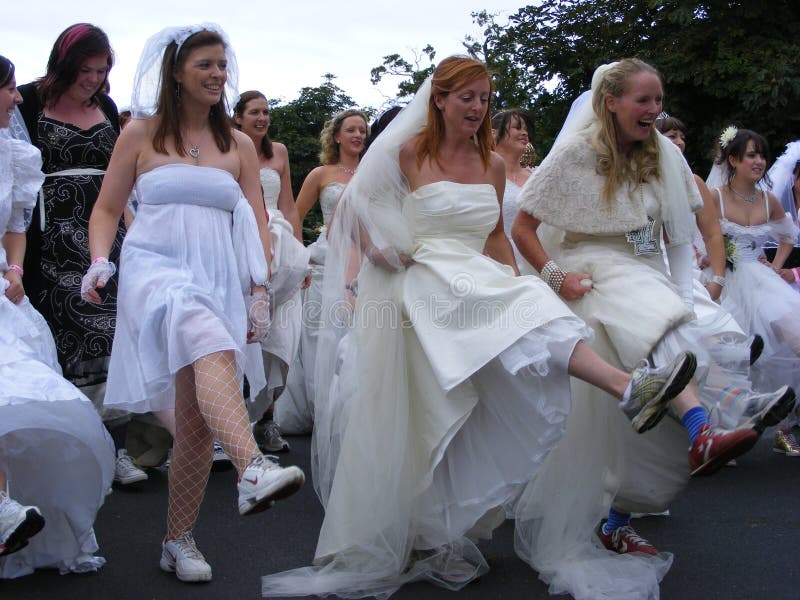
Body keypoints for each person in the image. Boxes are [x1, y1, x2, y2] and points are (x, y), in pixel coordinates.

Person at [261, 55, 701, 599]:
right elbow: (353, 213)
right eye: (466, 97)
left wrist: (516, 279)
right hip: (423, 283)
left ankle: (441, 526)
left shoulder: (492, 165)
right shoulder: (405, 155)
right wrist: (380, 251)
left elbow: (495, 235)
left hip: (472, 279)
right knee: (439, 405)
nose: (477, 108)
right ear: (439, 100)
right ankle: (628, 388)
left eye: (485, 99)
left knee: (503, 360)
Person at [512, 59, 765, 598]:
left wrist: (691, 292)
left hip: (644, 275)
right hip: (593, 272)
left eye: (658, 101)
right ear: (611, 102)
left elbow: (680, 235)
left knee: (634, 417)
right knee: (664, 340)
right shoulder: (576, 153)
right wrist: (559, 278)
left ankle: (621, 513)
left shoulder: (664, 157)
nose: (654, 110)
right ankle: (709, 422)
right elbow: (523, 226)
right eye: (642, 101)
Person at [82, 24, 304, 583]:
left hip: (220, 276)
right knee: (204, 337)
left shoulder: (239, 145)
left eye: (222, 65)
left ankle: (177, 539)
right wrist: (100, 259)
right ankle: (252, 467)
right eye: (205, 64)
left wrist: (259, 290)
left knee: (198, 424)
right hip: (156, 269)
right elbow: (107, 208)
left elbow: (256, 218)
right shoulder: (139, 133)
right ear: (177, 71)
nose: (217, 74)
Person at [15, 23, 145, 486]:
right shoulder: (29, 101)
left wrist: (137, 229)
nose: (93, 79)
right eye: (86, 69)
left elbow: (121, 176)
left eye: (102, 70)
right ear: (66, 63)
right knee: (73, 330)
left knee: (118, 330)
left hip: (107, 234)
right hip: (51, 235)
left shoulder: (106, 107)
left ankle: (117, 447)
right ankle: (80, 442)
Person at [0, 54, 114, 579]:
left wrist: (16, 269)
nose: (18, 97)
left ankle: (10, 506)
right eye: (8, 89)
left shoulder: (13, 155)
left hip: (7, 289)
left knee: (23, 397)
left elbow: (15, 224)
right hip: (32, 263)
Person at [654, 114, 793, 436]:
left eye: (681, 136)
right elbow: (692, 235)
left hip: (745, 275)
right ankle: (722, 420)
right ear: (732, 160)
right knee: (708, 342)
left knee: (777, 337)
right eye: (670, 136)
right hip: (688, 269)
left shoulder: (698, 184)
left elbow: (714, 233)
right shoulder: (705, 192)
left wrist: (766, 267)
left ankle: (770, 417)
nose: (678, 142)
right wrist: (708, 264)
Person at [707, 127, 800, 456]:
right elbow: (698, 239)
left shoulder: (768, 199)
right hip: (722, 279)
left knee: (794, 339)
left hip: (761, 281)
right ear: (732, 160)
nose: (759, 161)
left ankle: (786, 425)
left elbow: (788, 235)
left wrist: (776, 265)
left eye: (762, 154)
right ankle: (722, 430)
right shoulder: (714, 197)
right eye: (751, 155)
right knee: (730, 355)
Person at [275, 108, 368, 434]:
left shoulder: (373, 172)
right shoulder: (321, 174)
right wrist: (299, 258)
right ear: (337, 136)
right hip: (326, 261)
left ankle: (350, 409)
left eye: (362, 130)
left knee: (357, 335)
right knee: (320, 337)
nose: (358, 135)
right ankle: (321, 409)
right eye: (352, 130)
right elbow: (294, 216)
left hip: (365, 263)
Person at [233, 90, 309, 452]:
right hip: (246, 241)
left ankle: (267, 420)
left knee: (281, 336)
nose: (262, 118)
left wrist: (300, 257)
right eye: (254, 112)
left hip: (284, 248)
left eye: (266, 112)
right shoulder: (228, 148)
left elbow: (289, 206)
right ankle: (233, 423)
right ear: (238, 117)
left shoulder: (278, 152)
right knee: (246, 332)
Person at [492, 109, 536, 274]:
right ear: (495, 134)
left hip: (539, 255)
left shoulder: (536, 176)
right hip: (501, 262)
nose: (524, 133)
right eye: (517, 128)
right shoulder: (483, 175)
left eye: (525, 129)